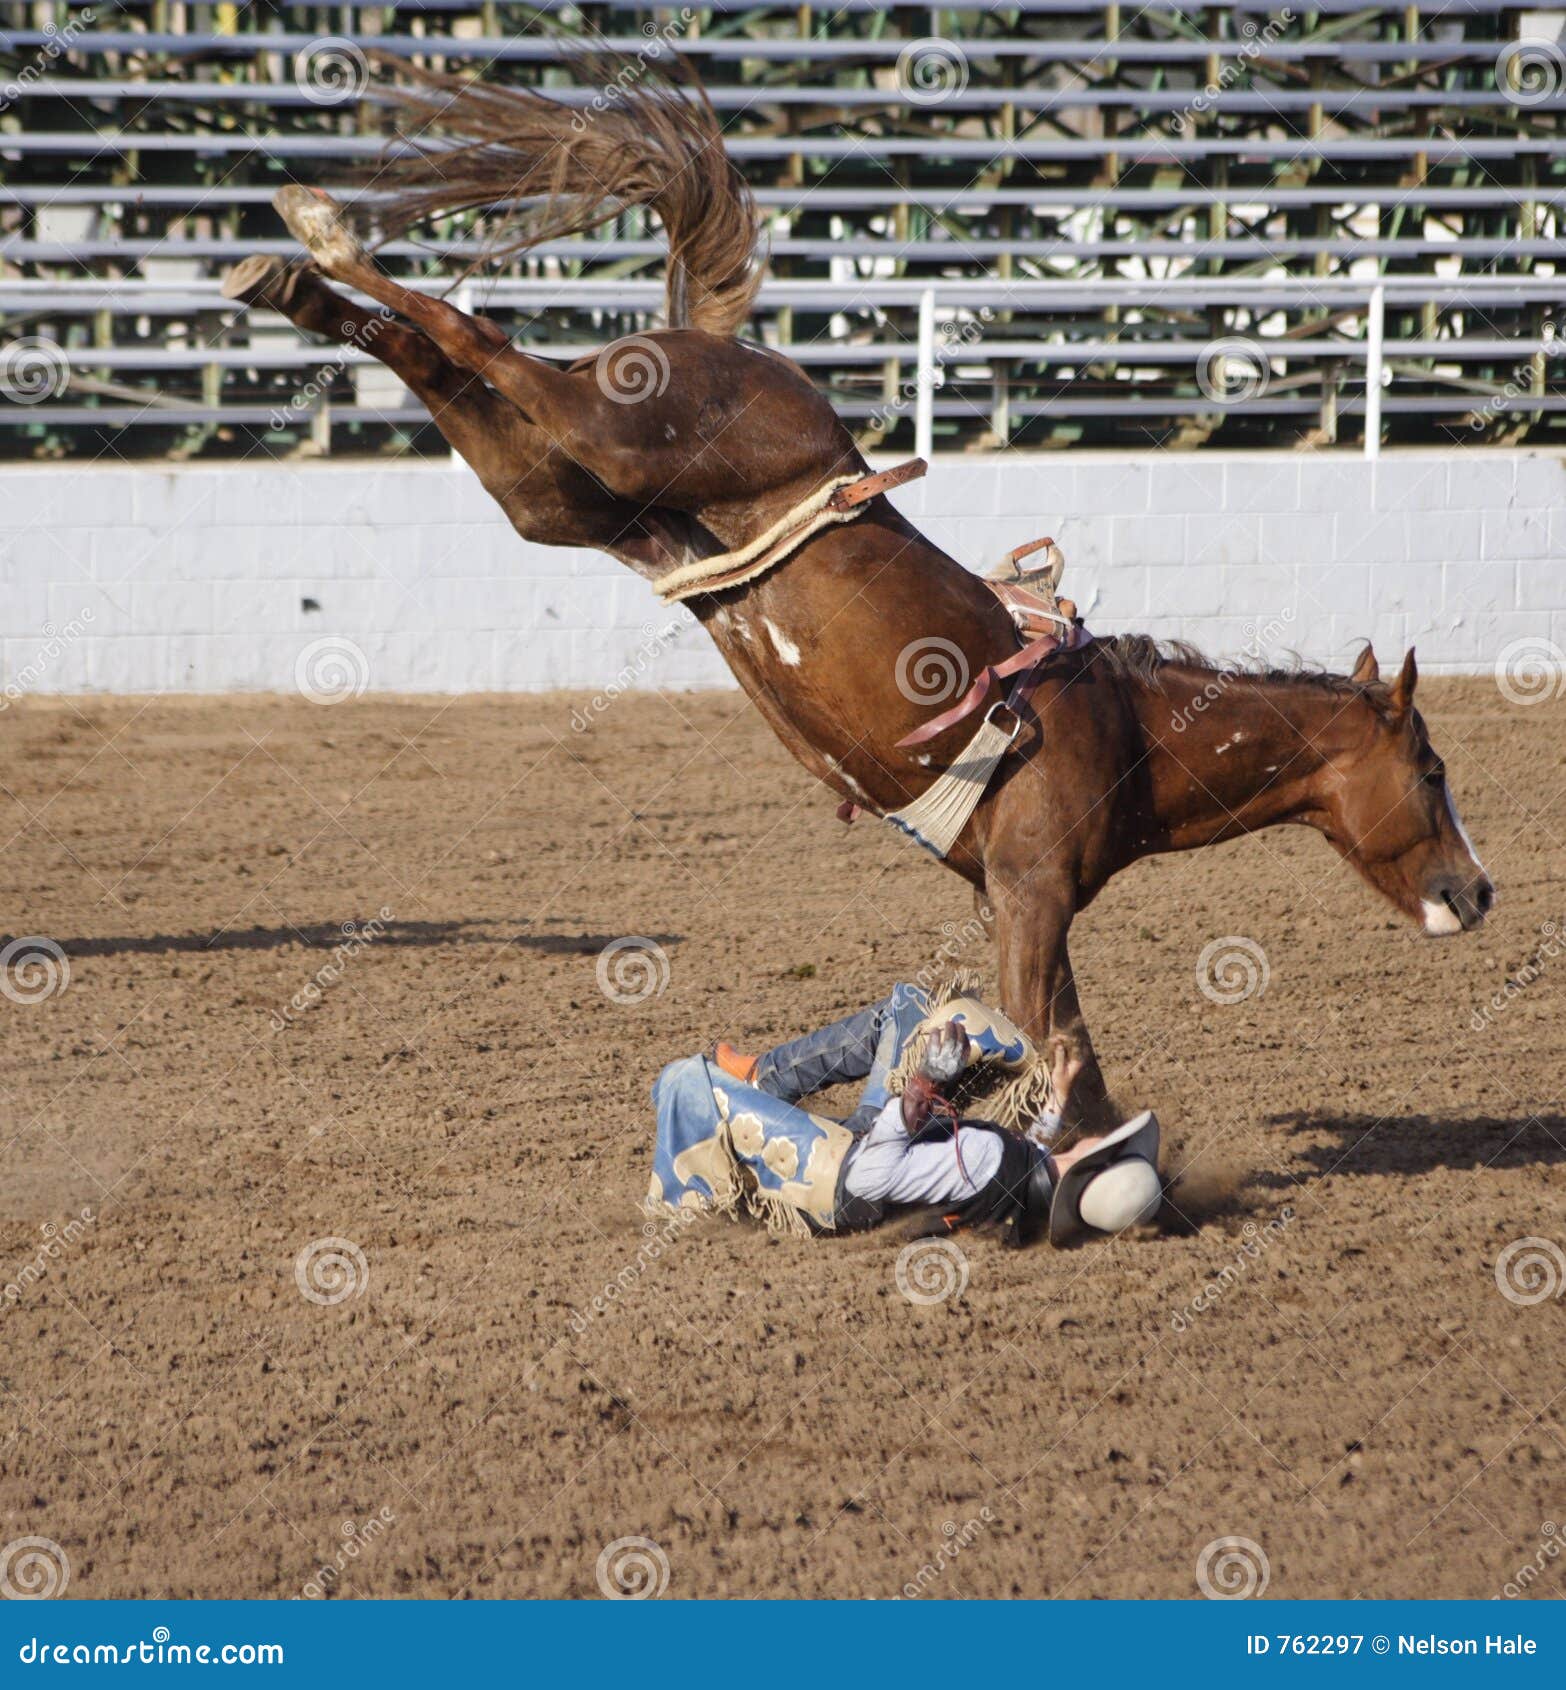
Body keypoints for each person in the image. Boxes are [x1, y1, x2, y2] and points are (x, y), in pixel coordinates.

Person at [646, 980, 1162, 1246]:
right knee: (908, 1004)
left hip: (840, 1171)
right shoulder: (1024, 1193)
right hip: (869, 1152)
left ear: (1092, 1167)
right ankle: (766, 1077)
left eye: (1105, 1148)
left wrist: (925, 1084)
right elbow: (1034, 1158)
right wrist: (1055, 1098)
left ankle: (684, 1201)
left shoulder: (986, 1163)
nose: (1101, 1138)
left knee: (683, 1081)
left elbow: (875, 1176)